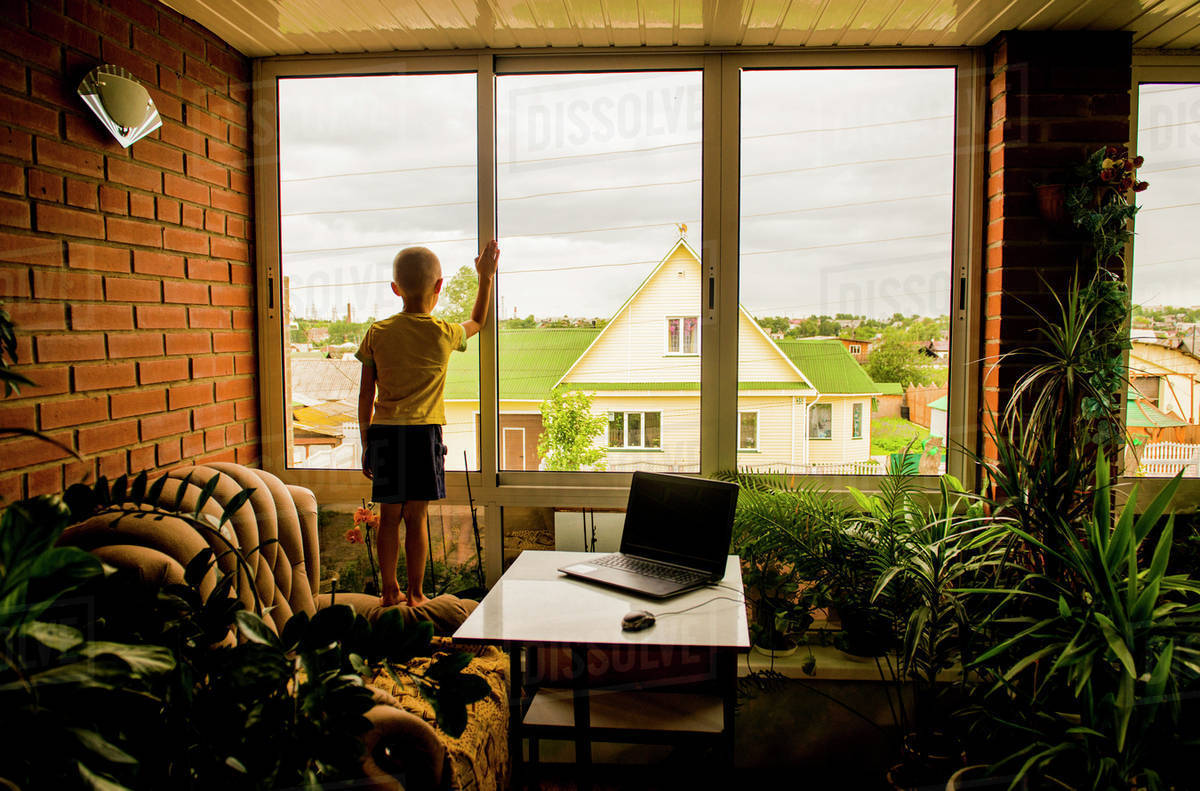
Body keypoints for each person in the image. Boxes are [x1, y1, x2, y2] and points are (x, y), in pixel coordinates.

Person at [357, 240, 499, 607]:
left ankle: (389, 592)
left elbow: (364, 396)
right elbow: (479, 321)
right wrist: (485, 278)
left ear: (395, 289)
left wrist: (366, 442)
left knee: (389, 518)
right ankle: (417, 593)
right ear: (439, 287)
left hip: (385, 433)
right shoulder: (442, 332)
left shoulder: (377, 332)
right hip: (423, 435)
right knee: (416, 517)